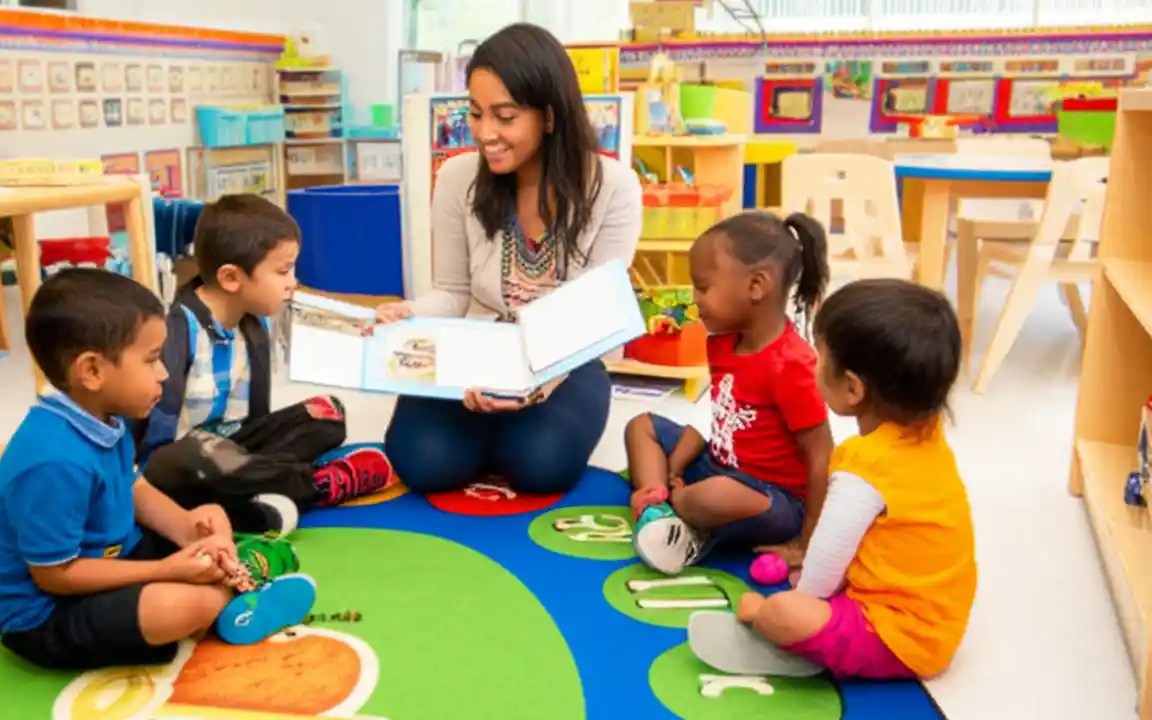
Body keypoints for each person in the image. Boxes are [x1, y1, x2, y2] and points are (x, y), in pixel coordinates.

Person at [0, 269, 316, 671]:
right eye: (152, 359)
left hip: (117, 557)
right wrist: (166, 569)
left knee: (211, 519)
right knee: (185, 604)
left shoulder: (106, 415)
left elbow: (133, 488)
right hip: (50, 614)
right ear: (92, 371)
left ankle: (229, 574)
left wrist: (188, 529)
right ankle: (232, 601)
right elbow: (55, 576)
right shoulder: (53, 462)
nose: (164, 373)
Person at [376, 23, 642, 495]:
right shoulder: (458, 177)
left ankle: (502, 436)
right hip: (474, 353)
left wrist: (533, 388)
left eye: (505, 116)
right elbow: (453, 294)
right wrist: (408, 314)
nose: (485, 133)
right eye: (476, 113)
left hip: (565, 363)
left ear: (549, 116)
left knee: (540, 465)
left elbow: (598, 319)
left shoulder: (613, 187)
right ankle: (485, 435)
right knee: (422, 463)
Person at [687, 279, 977, 681]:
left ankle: (788, 648)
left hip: (898, 638)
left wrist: (782, 609)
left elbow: (824, 563)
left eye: (819, 356)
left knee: (789, 610)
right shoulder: (927, 438)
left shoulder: (865, 467)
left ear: (853, 388)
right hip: (937, 622)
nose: (812, 364)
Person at [133, 194, 392, 534]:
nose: (292, 282)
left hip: (239, 444)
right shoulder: (177, 331)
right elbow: (151, 440)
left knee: (327, 413)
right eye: (283, 271)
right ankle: (314, 486)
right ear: (231, 278)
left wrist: (375, 319)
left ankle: (257, 490)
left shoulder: (255, 316)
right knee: (192, 458)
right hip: (182, 461)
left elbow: (325, 317)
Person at [624, 211, 834, 575]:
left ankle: (681, 511)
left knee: (716, 495)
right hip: (720, 466)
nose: (695, 299)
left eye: (703, 288)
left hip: (773, 499)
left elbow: (821, 455)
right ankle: (658, 503)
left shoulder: (791, 364)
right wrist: (676, 465)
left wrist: (807, 542)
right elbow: (716, 417)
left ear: (756, 286)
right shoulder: (722, 343)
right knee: (641, 426)